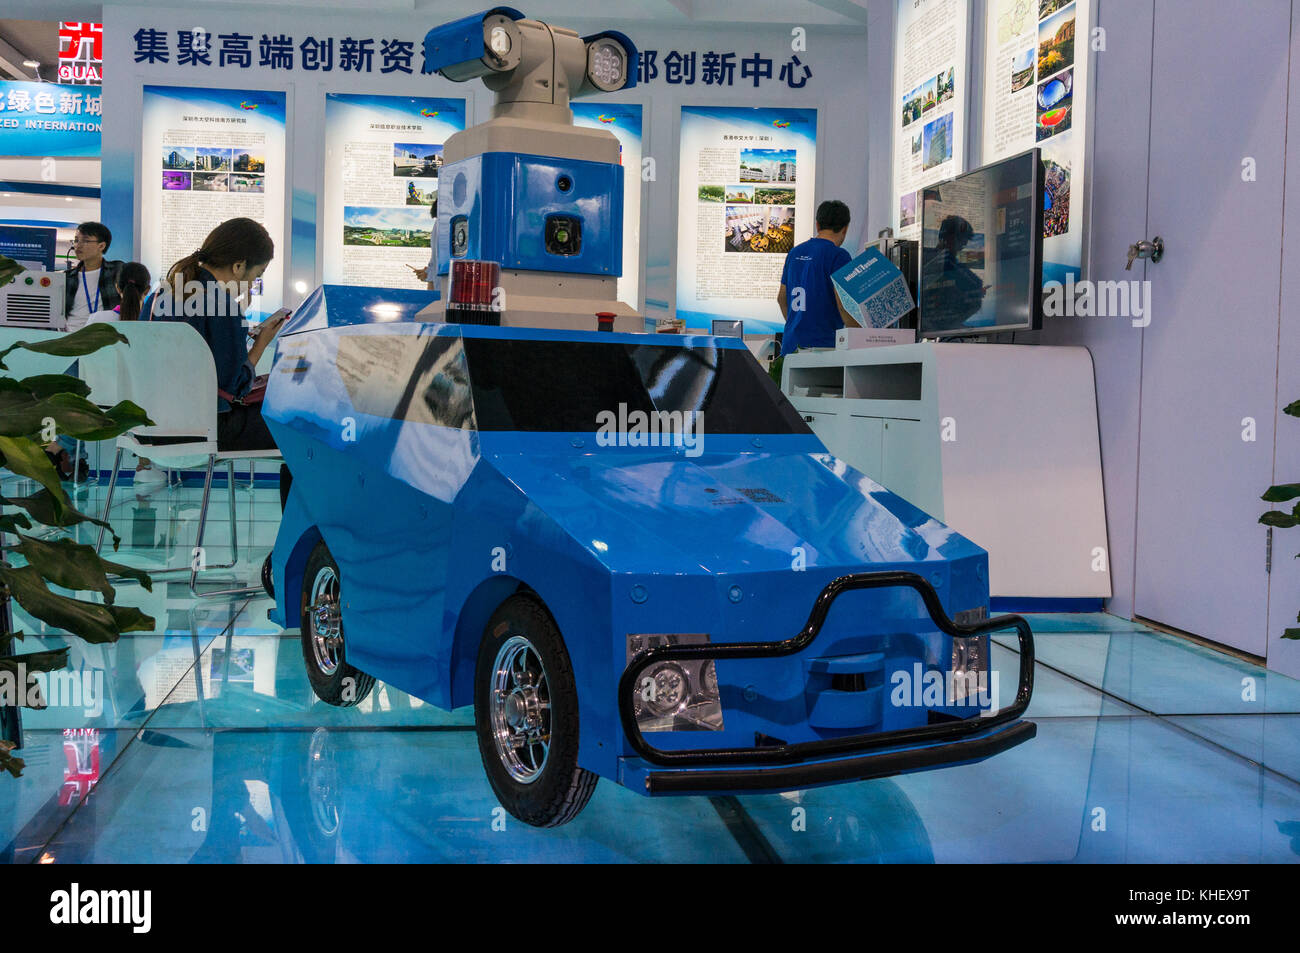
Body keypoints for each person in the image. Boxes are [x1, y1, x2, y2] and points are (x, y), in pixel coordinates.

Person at [151, 217, 292, 509]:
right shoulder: (222, 302)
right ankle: (300, 550)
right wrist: (262, 342)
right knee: (305, 433)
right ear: (239, 265)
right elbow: (234, 389)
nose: (253, 283)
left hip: (151, 427)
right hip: (203, 428)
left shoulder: (159, 295)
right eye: (258, 274)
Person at [84, 262, 169, 488]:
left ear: (116, 286)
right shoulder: (156, 323)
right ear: (147, 289)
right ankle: (146, 464)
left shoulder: (97, 320)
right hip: (144, 405)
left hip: (99, 401)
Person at [775, 200, 860, 360]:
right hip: (823, 348)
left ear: (817, 225)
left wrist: (798, 325)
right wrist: (859, 335)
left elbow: (781, 299)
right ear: (845, 228)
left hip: (791, 346)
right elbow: (843, 304)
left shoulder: (794, 253)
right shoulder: (839, 256)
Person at [64, 222, 125, 331]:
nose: (78, 245)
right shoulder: (67, 278)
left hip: (104, 337)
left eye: (85, 241)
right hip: (70, 338)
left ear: (101, 246)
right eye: (76, 240)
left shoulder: (117, 270)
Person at [412, 195, 439, 285]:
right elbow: (434, 263)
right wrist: (428, 274)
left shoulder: (438, 224)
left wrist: (429, 274)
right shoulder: (438, 224)